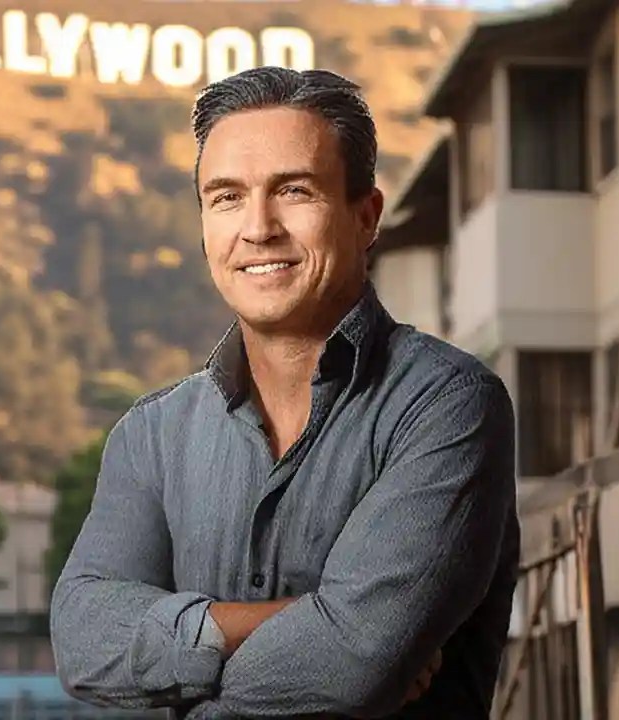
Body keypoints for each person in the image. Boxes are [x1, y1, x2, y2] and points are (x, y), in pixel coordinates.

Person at [50, 67, 520, 718]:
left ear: (366, 216)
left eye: (293, 191)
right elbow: (80, 642)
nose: (259, 227)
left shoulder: (448, 407)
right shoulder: (150, 436)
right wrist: (299, 621)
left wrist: (188, 654)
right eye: (226, 197)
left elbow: (352, 663)